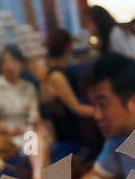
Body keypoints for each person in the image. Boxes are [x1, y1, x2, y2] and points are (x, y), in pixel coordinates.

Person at [0, 43, 48, 179]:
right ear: (1, 66)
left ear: (21, 64)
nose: (10, 65)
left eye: (14, 61)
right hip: (5, 134)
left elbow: (33, 112)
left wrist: (35, 119)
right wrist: (8, 129)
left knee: (37, 139)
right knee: (37, 141)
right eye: (5, 61)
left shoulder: (28, 87)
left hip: (27, 131)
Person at [35, 27, 98, 164]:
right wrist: (103, 112)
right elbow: (77, 108)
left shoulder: (51, 73)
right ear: (68, 47)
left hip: (71, 129)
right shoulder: (56, 76)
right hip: (70, 134)